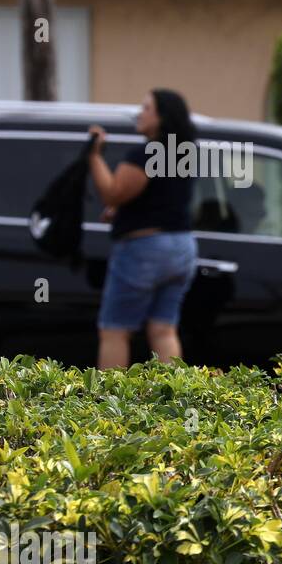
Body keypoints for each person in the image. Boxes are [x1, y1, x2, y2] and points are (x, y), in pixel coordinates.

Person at [87, 89, 198, 369]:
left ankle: (108, 406)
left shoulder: (146, 153)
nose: (140, 113)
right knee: (163, 329)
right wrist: (125, 212)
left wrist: (94, 156)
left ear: (162, 116)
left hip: (145, 248)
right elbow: (161, 196)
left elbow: (114, 193)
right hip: (182, 246)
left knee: (115, 330)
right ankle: (177, 399)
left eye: (146, 108)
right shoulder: (183, 151)